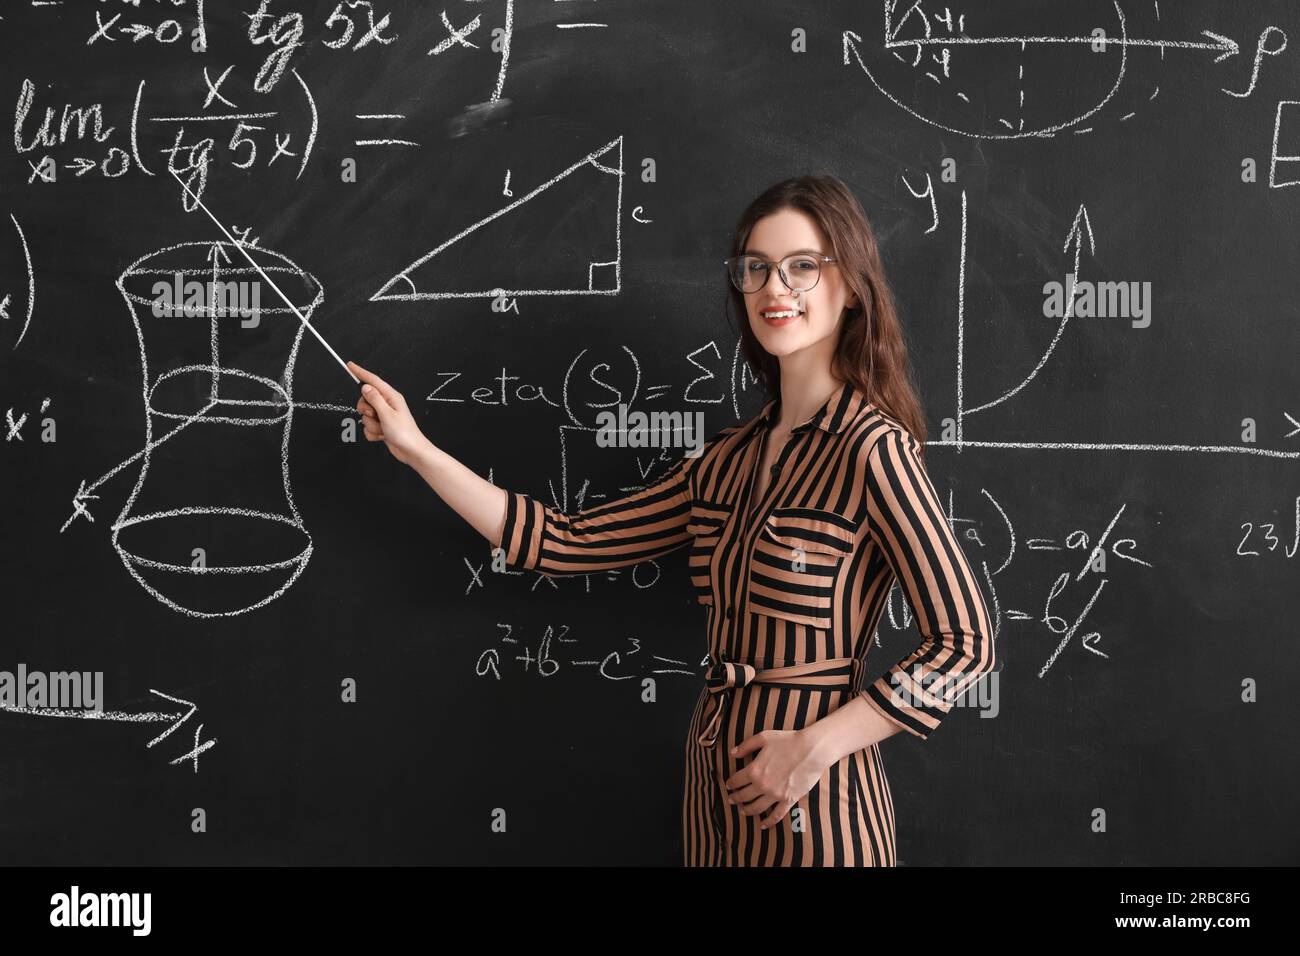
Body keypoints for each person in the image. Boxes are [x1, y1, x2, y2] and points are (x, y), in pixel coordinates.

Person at [348, 173, 996, 867]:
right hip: (711, 788)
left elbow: (965, 643)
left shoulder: (872, 448)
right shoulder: (724, 461)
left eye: (803, 266)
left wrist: (814, 747)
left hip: (818, 806)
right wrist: (416, 451)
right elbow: (563, 542)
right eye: (757, 269)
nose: (776, 289)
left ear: (851, 283)